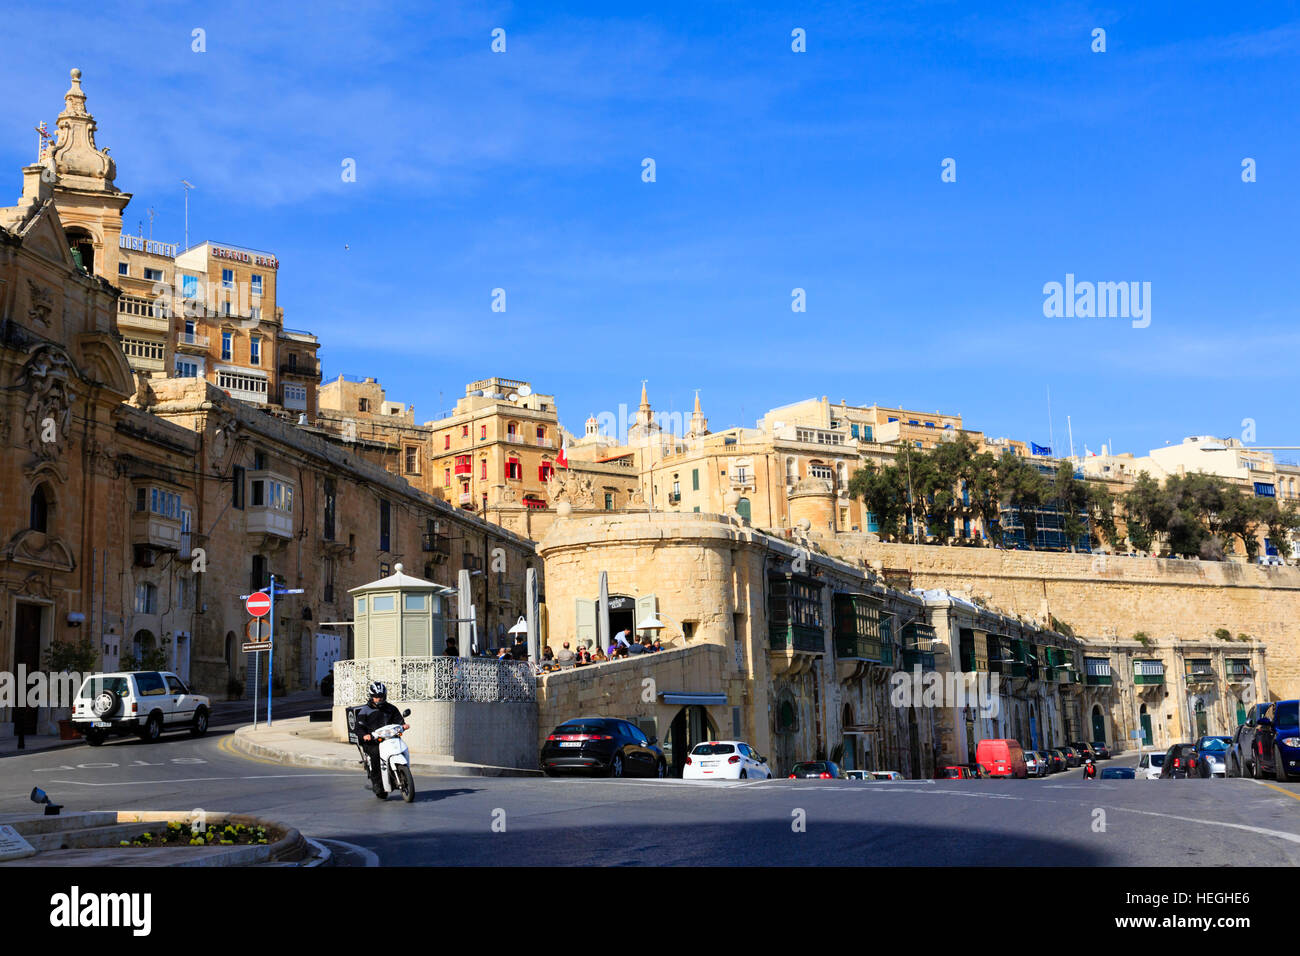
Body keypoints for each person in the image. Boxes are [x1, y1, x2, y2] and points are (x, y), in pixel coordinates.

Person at [354, 681, 408, 796]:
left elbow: (399, 720)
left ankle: (401, 773)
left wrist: (403, 725)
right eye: (376, 697)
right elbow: (358, 727)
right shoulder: (365, 711)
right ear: (371, 697)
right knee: (376, 755)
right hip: (373, 742)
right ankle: (377, 784)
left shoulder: (391, 708)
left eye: (381, 696)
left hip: (389, 739)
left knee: (401, 748)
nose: (379, 699)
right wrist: (365, 735)